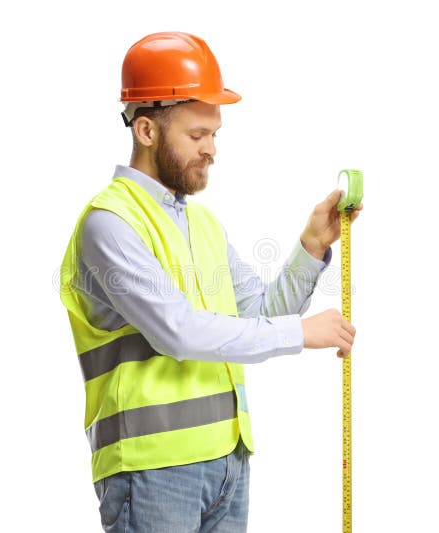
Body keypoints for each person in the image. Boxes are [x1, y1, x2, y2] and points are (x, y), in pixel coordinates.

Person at [59, 31, 363, 533]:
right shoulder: (109, 224)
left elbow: (260, 313)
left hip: (228, 462)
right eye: (197, 135)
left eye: (215, 134)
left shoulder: (201, 224)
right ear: (147, 131)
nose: (212, 150)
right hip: (153, 468)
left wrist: (311, 246)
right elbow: (177, 331)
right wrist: (301, 334)